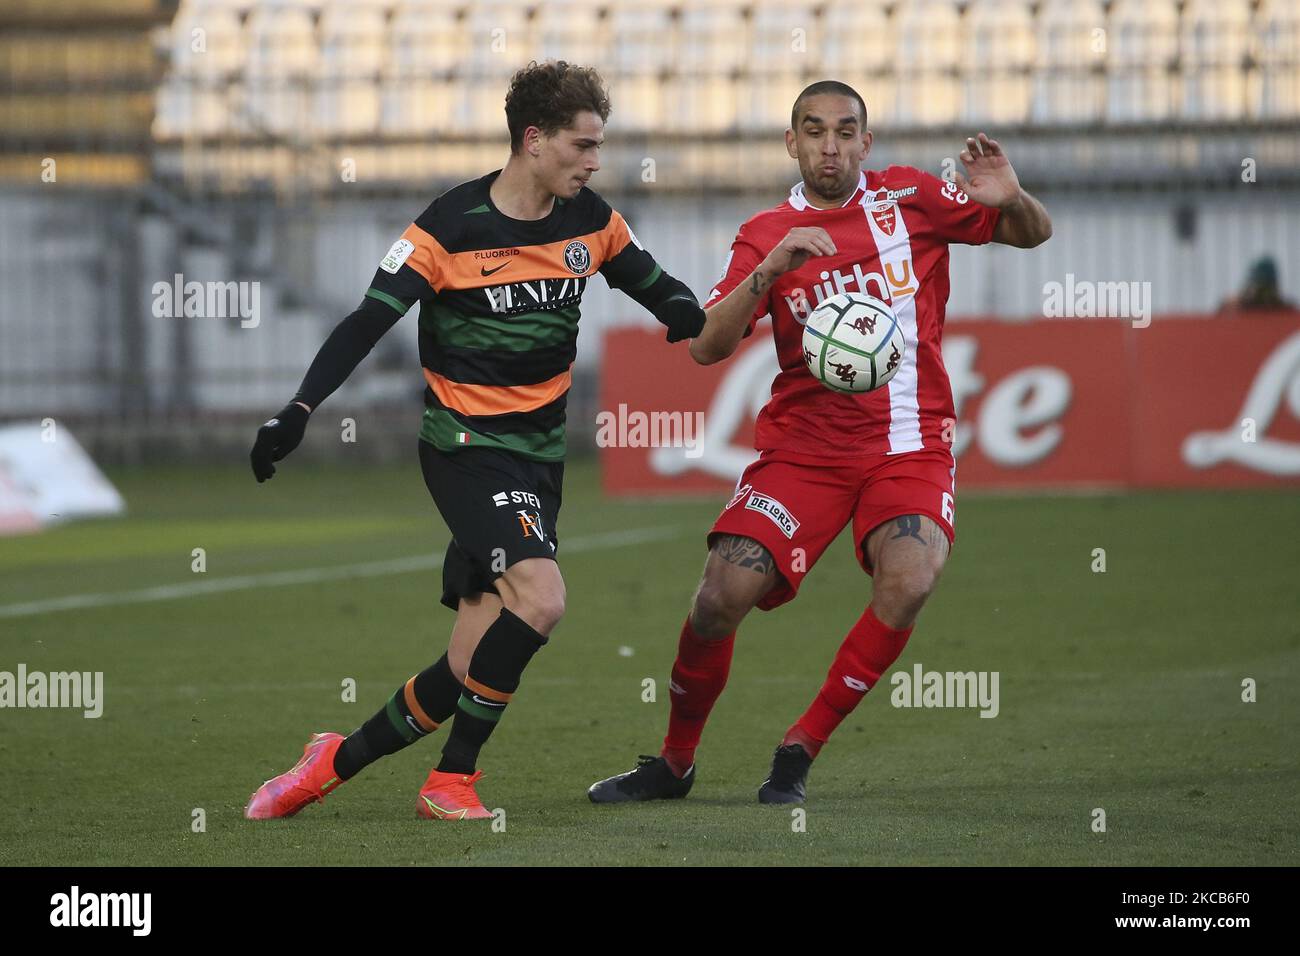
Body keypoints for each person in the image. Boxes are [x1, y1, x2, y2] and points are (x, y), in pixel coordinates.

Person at [244, 61, 704, 821]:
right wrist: (299, 407)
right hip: (465, 448)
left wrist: (685, 307)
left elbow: (660, 289)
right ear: (534, 140)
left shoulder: (591, 220)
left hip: (538, 457)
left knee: (466, 665)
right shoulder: (450, 225)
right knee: (543, 600)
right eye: (583, 146)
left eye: (599, 148)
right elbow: (367, 320)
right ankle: (451, 780)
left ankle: (329, 763)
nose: (594, 162)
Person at [589, 80, 1051, 805]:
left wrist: (1012, 196)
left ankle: (798, 750)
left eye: (844, 131)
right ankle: (674, 764)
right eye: (814, 131)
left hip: (909, 444)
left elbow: (1031, 233)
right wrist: (773, 270)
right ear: (791, 142)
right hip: (804, 452)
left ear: (866, 142)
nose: (829, 145)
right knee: (718, 598)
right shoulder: (765, 232)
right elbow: (706, 347)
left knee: (911, 579)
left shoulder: (914, 199)